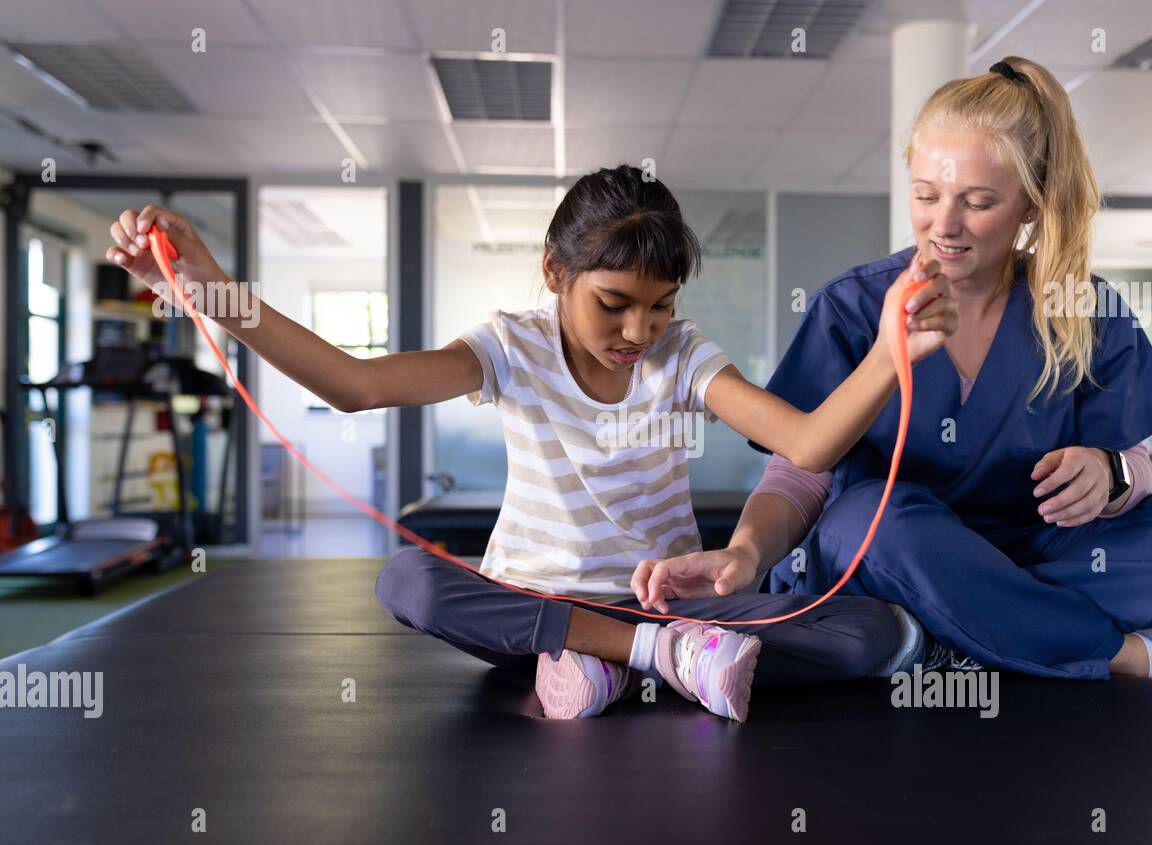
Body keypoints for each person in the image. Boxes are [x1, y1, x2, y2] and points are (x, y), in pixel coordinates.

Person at [104, 165, 958, 721]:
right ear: (555, 273)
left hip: (664, 604)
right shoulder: (511, 347)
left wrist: (888, 354)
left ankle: (616, 660)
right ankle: (642, 659)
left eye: (658, 304)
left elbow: (806, 442)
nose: (638, 328)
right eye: (614, 302)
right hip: (530, 611)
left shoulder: (682, 353)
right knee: (409, 580)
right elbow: (353, 385)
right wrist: (213, 292)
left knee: (873, 635)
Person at [631, 57, 1152, 681]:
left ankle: (964, 628)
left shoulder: (1083, 307)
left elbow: (1137, 459)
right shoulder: (857, 306)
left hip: (1038, 554)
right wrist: (746, 553)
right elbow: (798, 468)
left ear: (1030, 207)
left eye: (977, 202)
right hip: (900, 551)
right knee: (867, 522)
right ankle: (1134, 655)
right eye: (926, 195)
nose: (942, 225)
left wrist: (1112, 472)